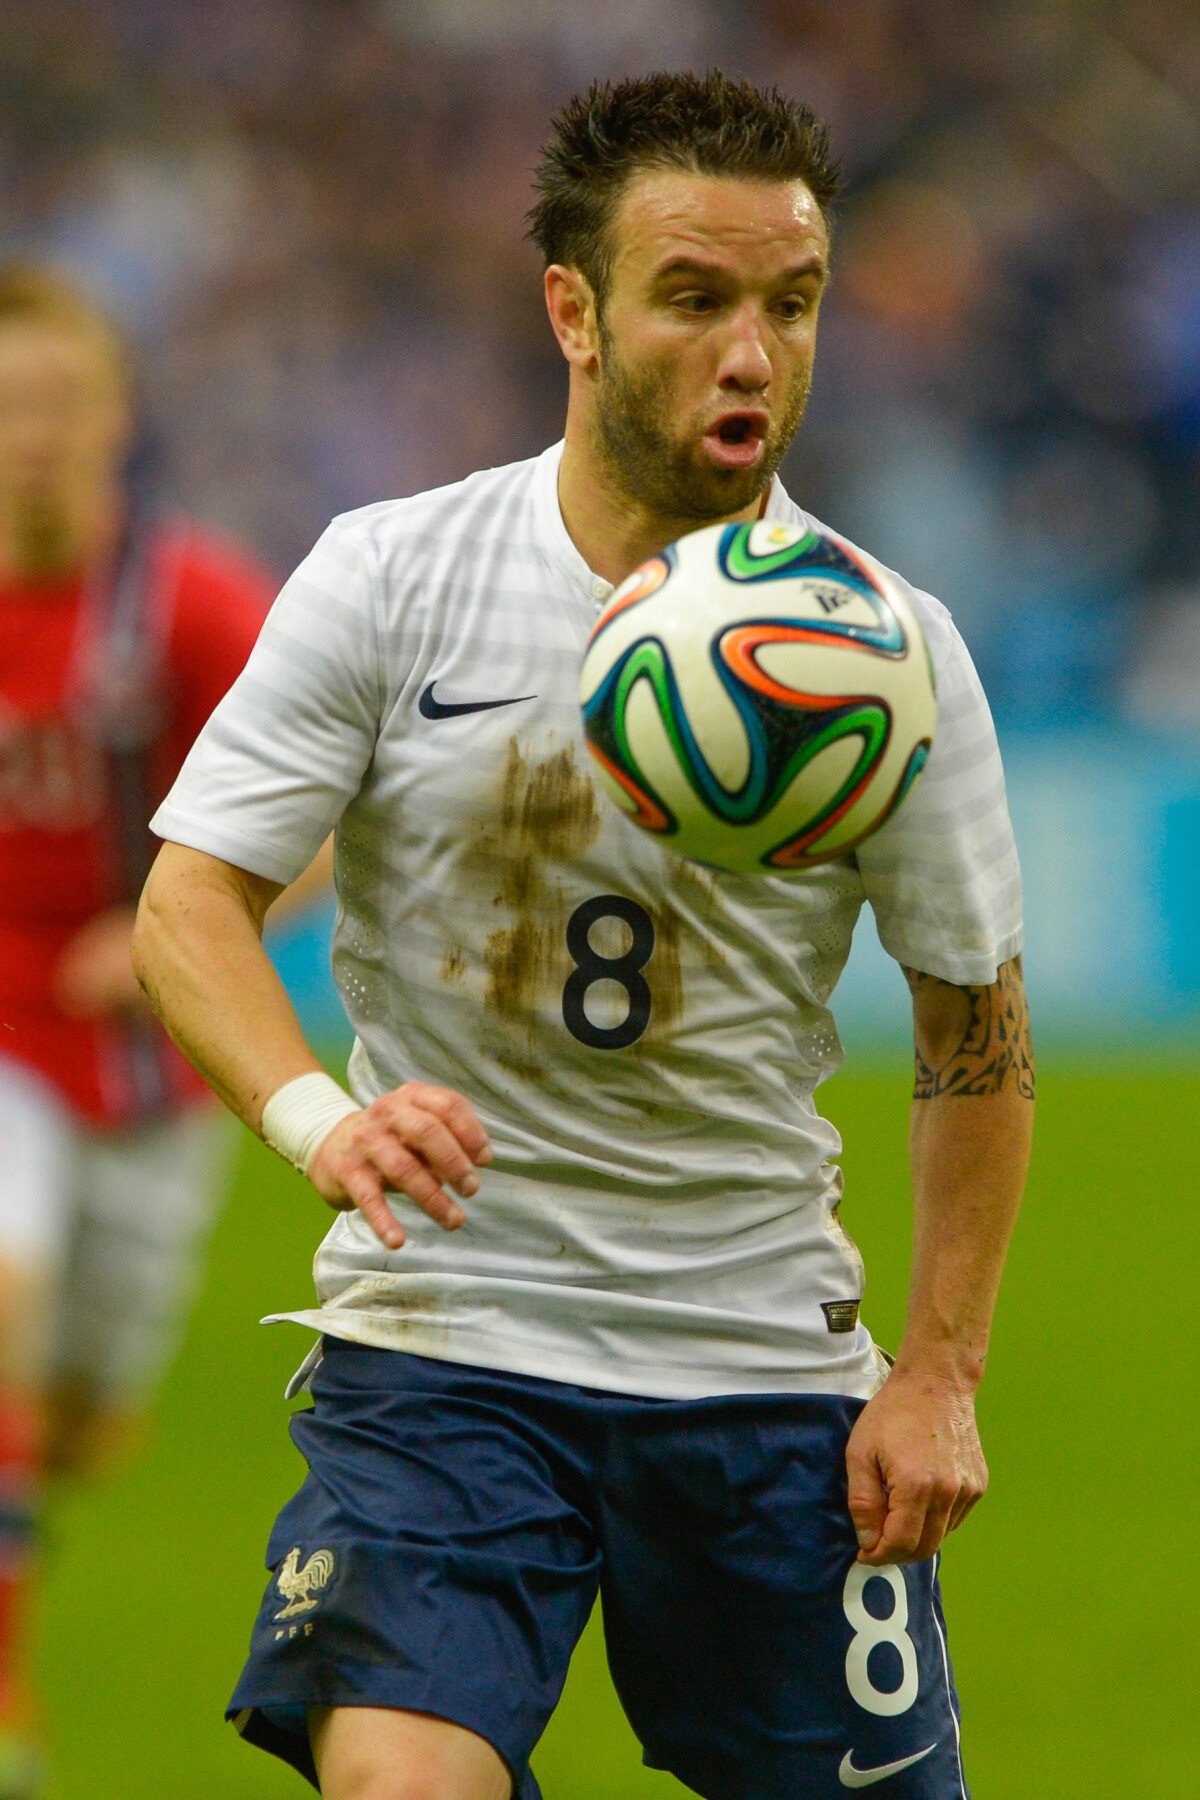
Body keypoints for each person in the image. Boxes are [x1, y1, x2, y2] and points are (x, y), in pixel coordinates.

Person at [133, 71, 1034, 1800]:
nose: (753, 353)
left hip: (762, 1365)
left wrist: (938, 1377)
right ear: (574, 311)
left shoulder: (890, 659)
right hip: (448, 1342)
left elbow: (974, 1039)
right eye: (696, 299)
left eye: (791, 302)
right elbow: (192, 904)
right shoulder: (395, 574)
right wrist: (324, 1121)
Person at [0, 262, 330, 1798]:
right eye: (8, 410)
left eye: (60, 403)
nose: (32, 438)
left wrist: (171, 940)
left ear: (119, 419)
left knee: (80, 1424)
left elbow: (324, 812)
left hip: (142, 1074)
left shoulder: (186, 600)